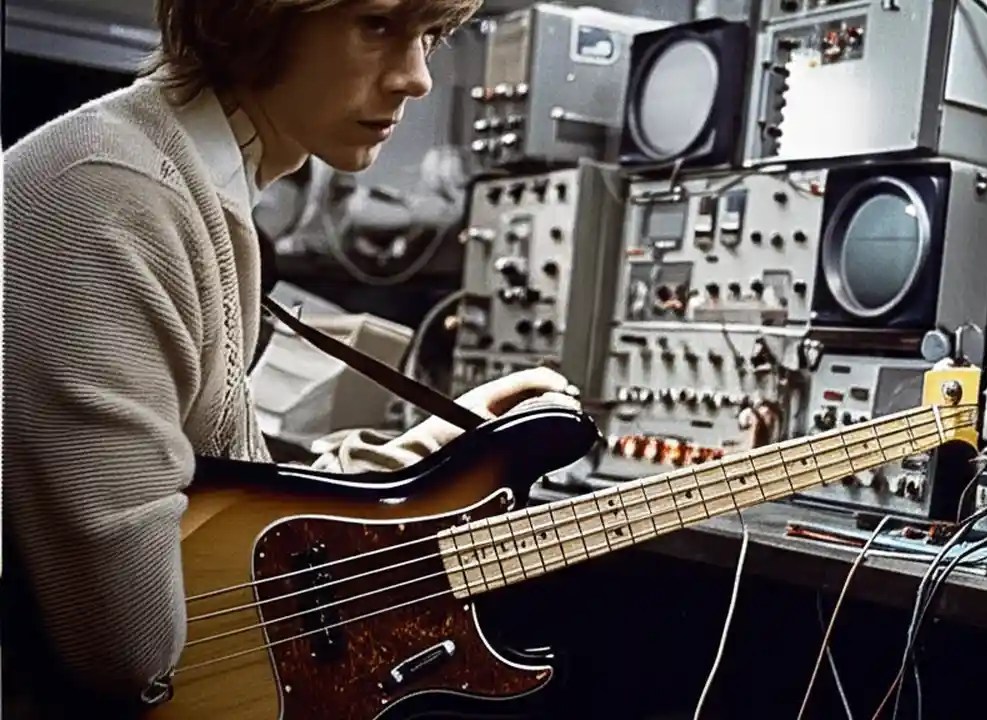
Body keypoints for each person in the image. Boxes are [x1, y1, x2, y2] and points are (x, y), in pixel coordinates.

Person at [2, 0, 581, 715]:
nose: (418, 77)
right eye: (378, 25)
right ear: (250, 16)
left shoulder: (187, 182)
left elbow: (241, 526)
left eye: (429, 36)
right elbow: (130, 647)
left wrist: (436, 453)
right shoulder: (112, 199)